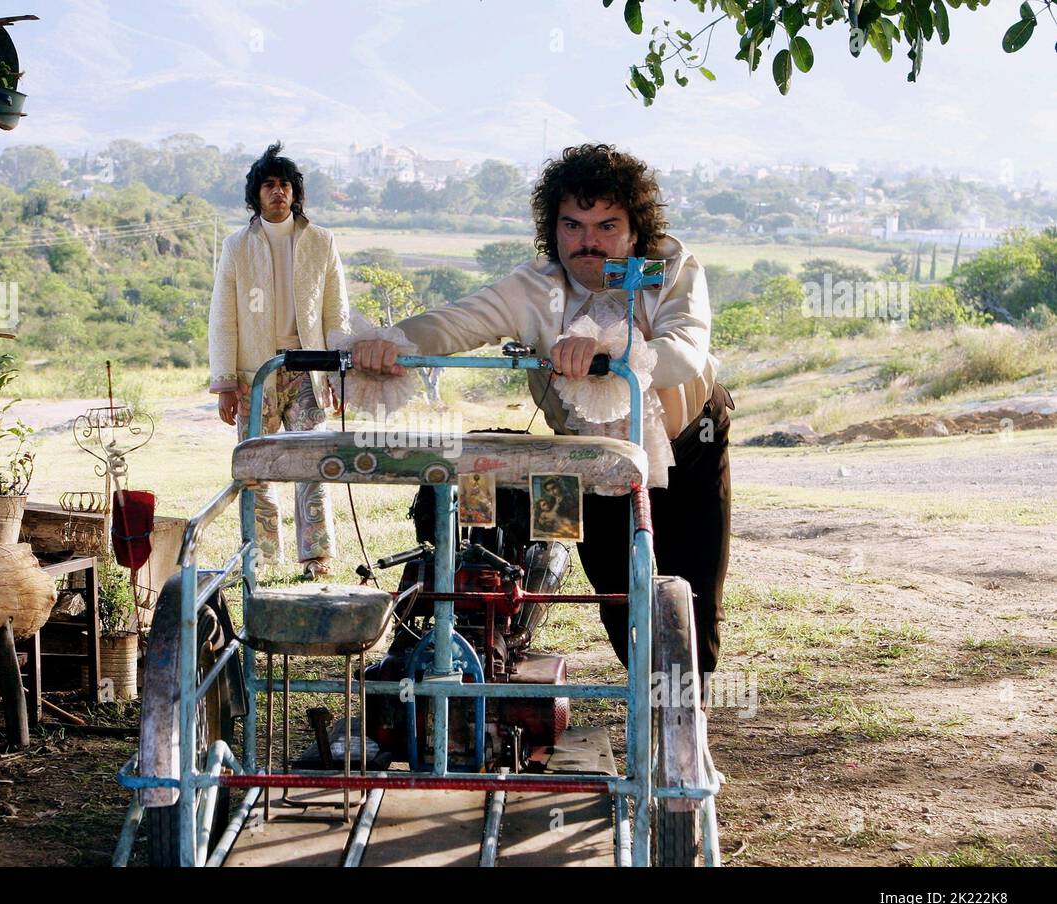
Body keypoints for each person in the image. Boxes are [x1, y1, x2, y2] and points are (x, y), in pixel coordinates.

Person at [352, 144, 733, 680]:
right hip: (591, 454)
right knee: (619, 595)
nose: (589, 242)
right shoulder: (533, 288)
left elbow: (685, 350)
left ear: (635, 229)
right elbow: (453, 323)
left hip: (691, 441)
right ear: (552, 228)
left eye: (607, 226)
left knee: (690, 594)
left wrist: (613, 355)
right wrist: (390, 344)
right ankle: (648, 711)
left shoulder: (672, 269)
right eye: (572, 226)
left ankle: (688, 738)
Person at [209, 142, 351, 579]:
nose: (278, 192)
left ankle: (318, 558)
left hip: (309, 372)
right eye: (269, 185)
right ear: (256, 194)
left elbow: (336, 312)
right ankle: (260, 557)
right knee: (257, 468)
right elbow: (223, 316)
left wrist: (339, 379)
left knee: (314, 465)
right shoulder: (237, 247)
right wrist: (225, 382)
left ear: (295, 193)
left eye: (285, 184)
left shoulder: (321, 242)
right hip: (256, 376)